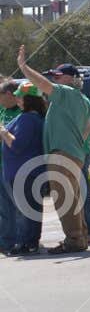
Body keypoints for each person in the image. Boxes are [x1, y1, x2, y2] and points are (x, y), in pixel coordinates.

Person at [16, 48, 90, 252]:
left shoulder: (66, 93)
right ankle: (79, 238)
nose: (54, 79)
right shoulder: (83, 99)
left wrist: (24, 68)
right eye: (54, 75)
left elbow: (42, 84)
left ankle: (74, 241)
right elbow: (87, 130)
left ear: (72, 78)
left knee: (64, 201)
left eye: (59, 76)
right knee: (72, 200)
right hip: (73, 155)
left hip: (62, 155)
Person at [1, 89, 46, 255]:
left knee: (24, 209)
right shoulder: (37, 117)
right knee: (31, 208)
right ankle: (30, 242)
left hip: (22, 171)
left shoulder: (27, 119)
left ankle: (24, 243)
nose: (17, 99)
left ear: (29, 99)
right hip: (30, 170)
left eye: (19, 96)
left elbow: (17, 145)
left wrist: (4, 132)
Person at [0, 80, 19, 254]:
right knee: (4, 206)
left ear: (8, 94)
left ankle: (21, 240)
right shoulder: (2, 109)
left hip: (15, 166)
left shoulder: (22, 112)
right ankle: (6, 242)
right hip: (2, 164)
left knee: (18, 205)